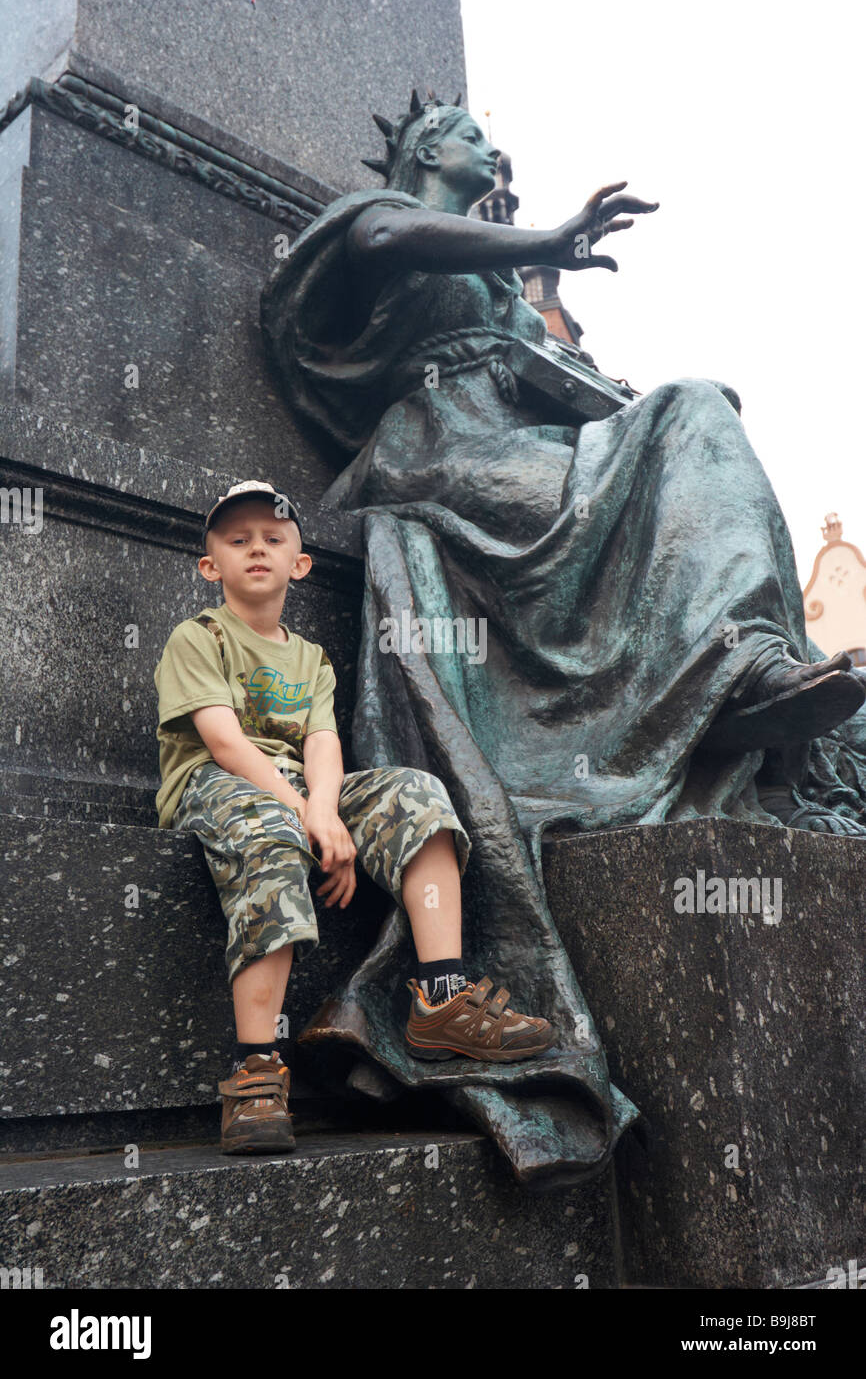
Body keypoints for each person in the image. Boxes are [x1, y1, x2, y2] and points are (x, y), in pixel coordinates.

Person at [254, 89, 866, 1190]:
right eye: (474, 137)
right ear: (429, 150)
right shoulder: (376, 223)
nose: (492, 150)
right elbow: (389, 238)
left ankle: (741, 670)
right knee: (680, 416)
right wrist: (548, 242)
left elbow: (564, 386)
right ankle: (721, 672)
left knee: (692, 407)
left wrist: (606, 390)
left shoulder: (498, 290)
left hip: (535, 454)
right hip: (447, 458)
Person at [153, 479, 554, 1154]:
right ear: (209, 565)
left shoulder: (310, 658)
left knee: (417, 792)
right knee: (271, 834)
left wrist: (327, 812)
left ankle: (440, 998)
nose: (257, 548)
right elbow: (224, 742)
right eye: (238, 539)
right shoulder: (198, 637)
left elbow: (323, 747)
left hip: (304, 793)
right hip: (220, 784)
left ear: (299, 564)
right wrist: (310, 822)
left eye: (273, 539)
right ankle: (257, 1071)